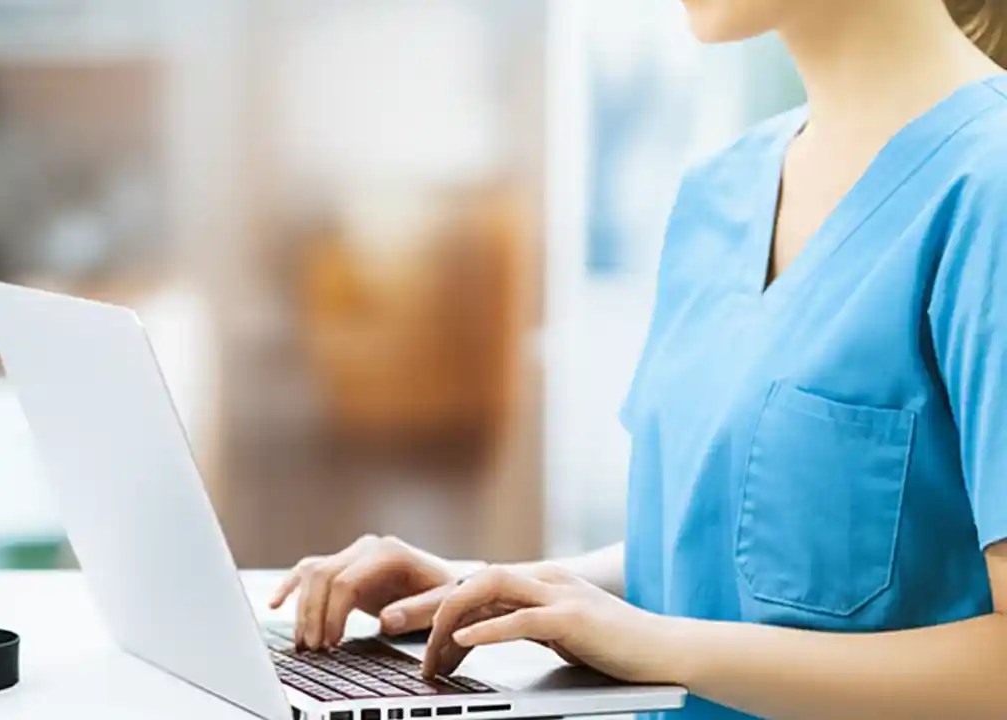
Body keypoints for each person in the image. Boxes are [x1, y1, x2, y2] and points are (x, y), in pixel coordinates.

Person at [269, 1, 1007, 718]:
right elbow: (724, 548)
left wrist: (659, 647)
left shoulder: (989, 190)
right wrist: (495, 592)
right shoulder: (720, 190)